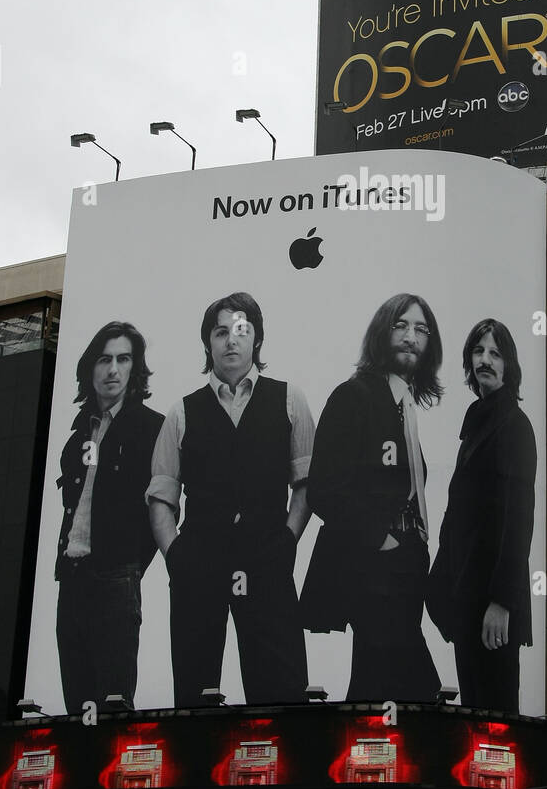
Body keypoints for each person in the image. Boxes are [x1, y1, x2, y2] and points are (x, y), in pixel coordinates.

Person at [146, 293, 313, 707]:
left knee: (281, 696)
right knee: (194, 694)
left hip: (268, 559)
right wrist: (176, 555)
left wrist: (287, 540)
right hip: (198, 563)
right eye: (220, 332)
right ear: (208, 343)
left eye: (241, 330)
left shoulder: (290, 398)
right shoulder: (181, 413)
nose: (231, 341)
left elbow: (306, 483)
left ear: (257, 339)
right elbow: (161, 496)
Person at [300, 293, 443, 701]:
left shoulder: (407, 409)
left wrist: (414, 546)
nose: (411, 337)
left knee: (377, 683)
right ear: (382, 332)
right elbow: (324, 488)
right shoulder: (355, 396)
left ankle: (360, 761)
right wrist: (381, 539)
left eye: (421, 329)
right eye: (401, 325)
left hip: (409, 560)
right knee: (415, 687)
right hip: (374, 563)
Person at [426, 319, 536, 712]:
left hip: (492, 609)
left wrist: (502, 602)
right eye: (478, 351)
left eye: (495, 353)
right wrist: (440, 590)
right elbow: (457, 516)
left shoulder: (515, 426)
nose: (485, 360)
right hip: (467, 603)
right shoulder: (476, 424)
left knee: (496, 729)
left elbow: (518, 521)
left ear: (509, 366)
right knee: (475, 716)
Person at [55, 321, 163, 714]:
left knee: (114, 703)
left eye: (123, 359)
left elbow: (162, 506)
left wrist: (129, 566)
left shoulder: (152, 428)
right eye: (104, 359)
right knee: (77, 705)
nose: (113, 369)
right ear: (91, 369)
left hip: (116, 576)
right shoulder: (76, 435)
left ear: (134, 369)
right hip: (72, 575)